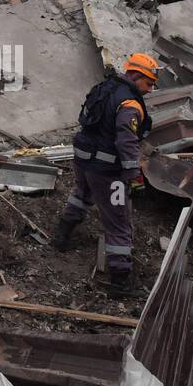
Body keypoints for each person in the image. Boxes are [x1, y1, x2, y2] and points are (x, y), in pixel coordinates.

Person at [52, 53, 158, 295]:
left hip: (83, 159)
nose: (151, 90)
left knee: (81, 195)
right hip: (108, 171)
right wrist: (134, 175)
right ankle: (119, 281)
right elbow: (126, 140)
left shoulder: (104, 87)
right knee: (118, 221)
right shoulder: (130, 104)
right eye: (149, 83)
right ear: (136, 76)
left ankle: (61, 237)